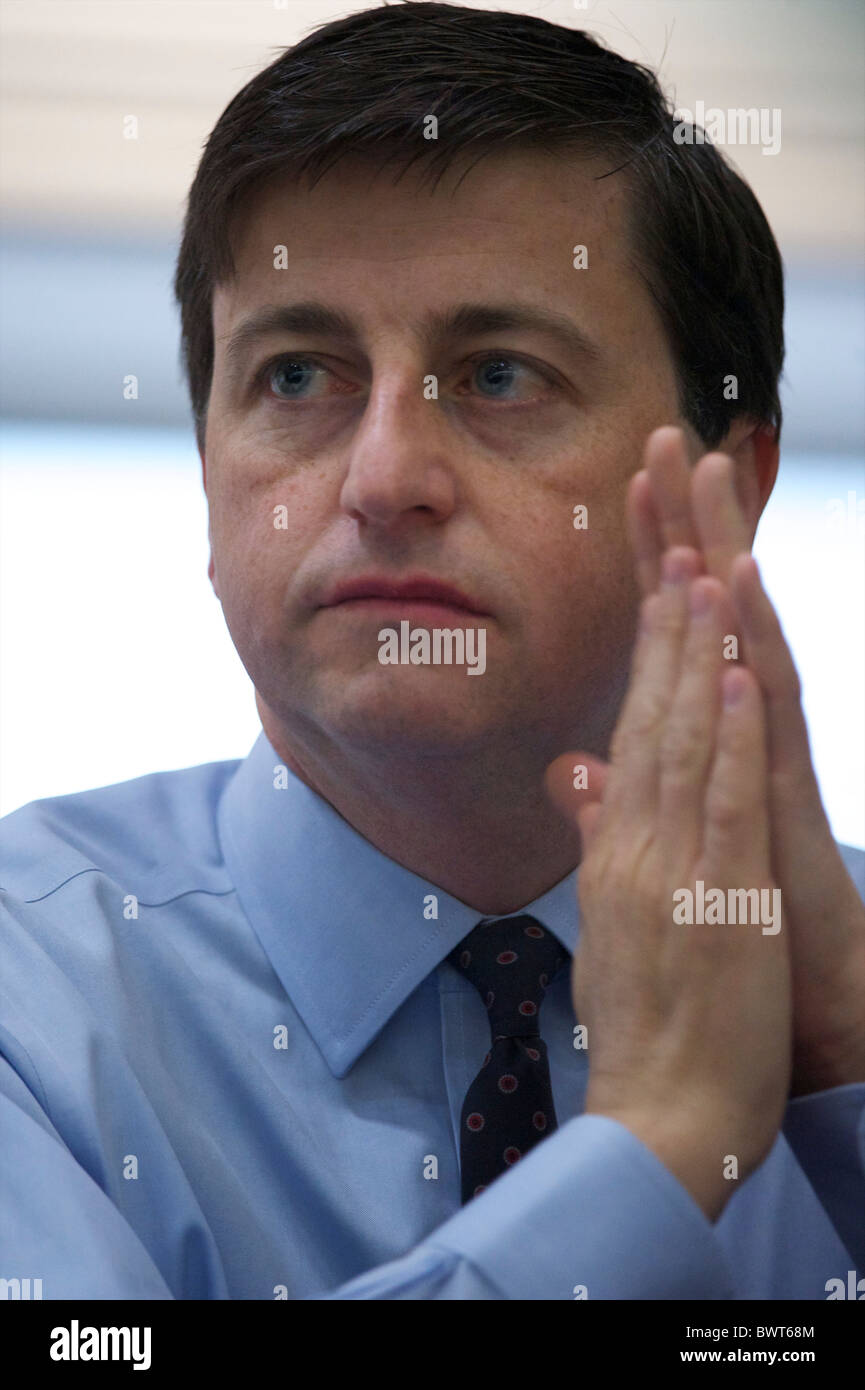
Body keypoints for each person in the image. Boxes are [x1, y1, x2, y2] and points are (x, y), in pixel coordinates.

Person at [1, 2, 862, 1301]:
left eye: (499, 375)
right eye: (296, 376)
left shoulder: (846, 983)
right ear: (207, 468)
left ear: (724, 489)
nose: (384, 476)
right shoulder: (31, 995)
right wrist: (655, 1149)